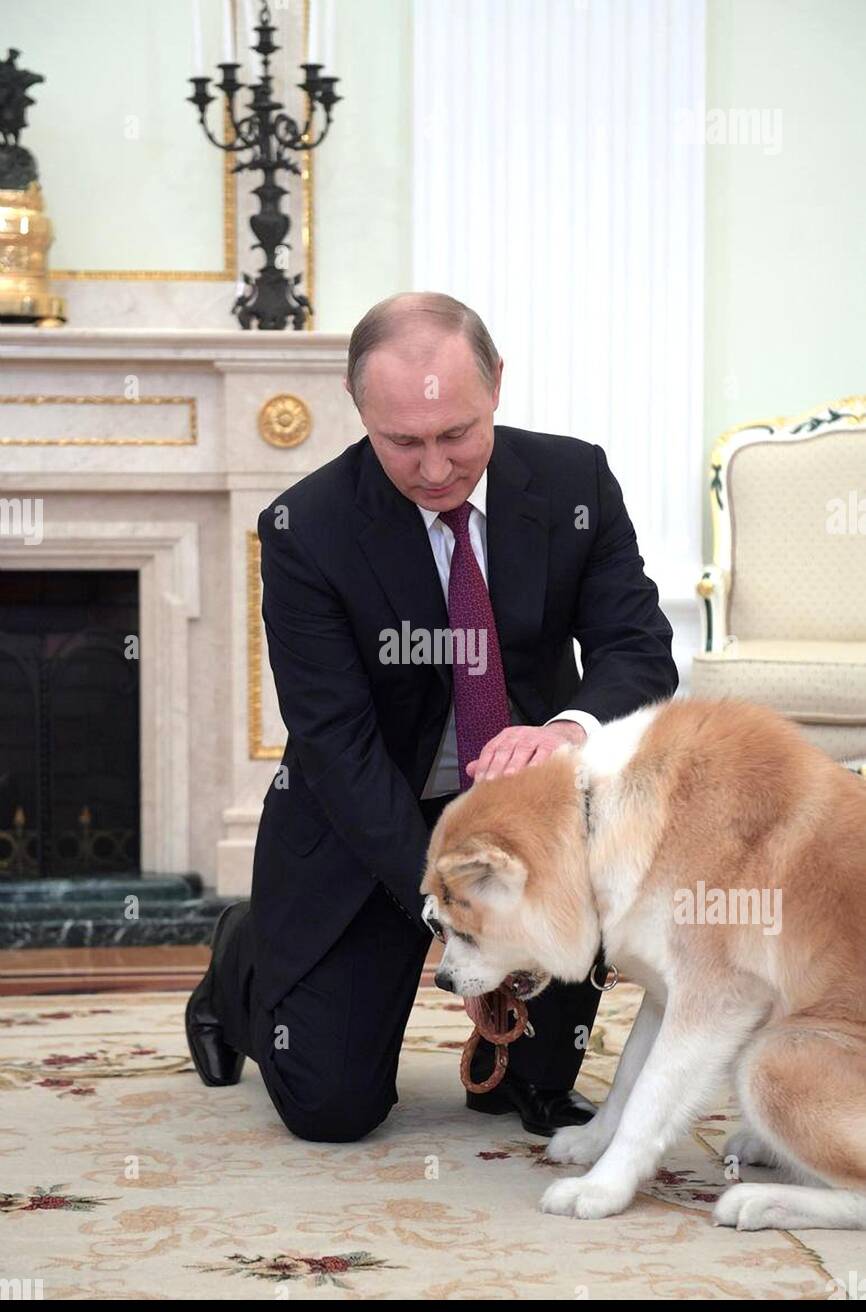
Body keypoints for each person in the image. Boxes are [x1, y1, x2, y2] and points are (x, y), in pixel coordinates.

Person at [186, 291, 678, 1142]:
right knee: (332, 1106)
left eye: (458, 434)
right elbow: (335, 743)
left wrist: (566, 733)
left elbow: (637, 650)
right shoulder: (307, 530)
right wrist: (454, 893)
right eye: (403, 442)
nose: (436, 468)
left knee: (526, 1094)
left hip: (535, 807)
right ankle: (240, 959)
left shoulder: (575, 483)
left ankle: (525, 1059)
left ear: (497, 388)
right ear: (359, 412)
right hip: (371, 814)